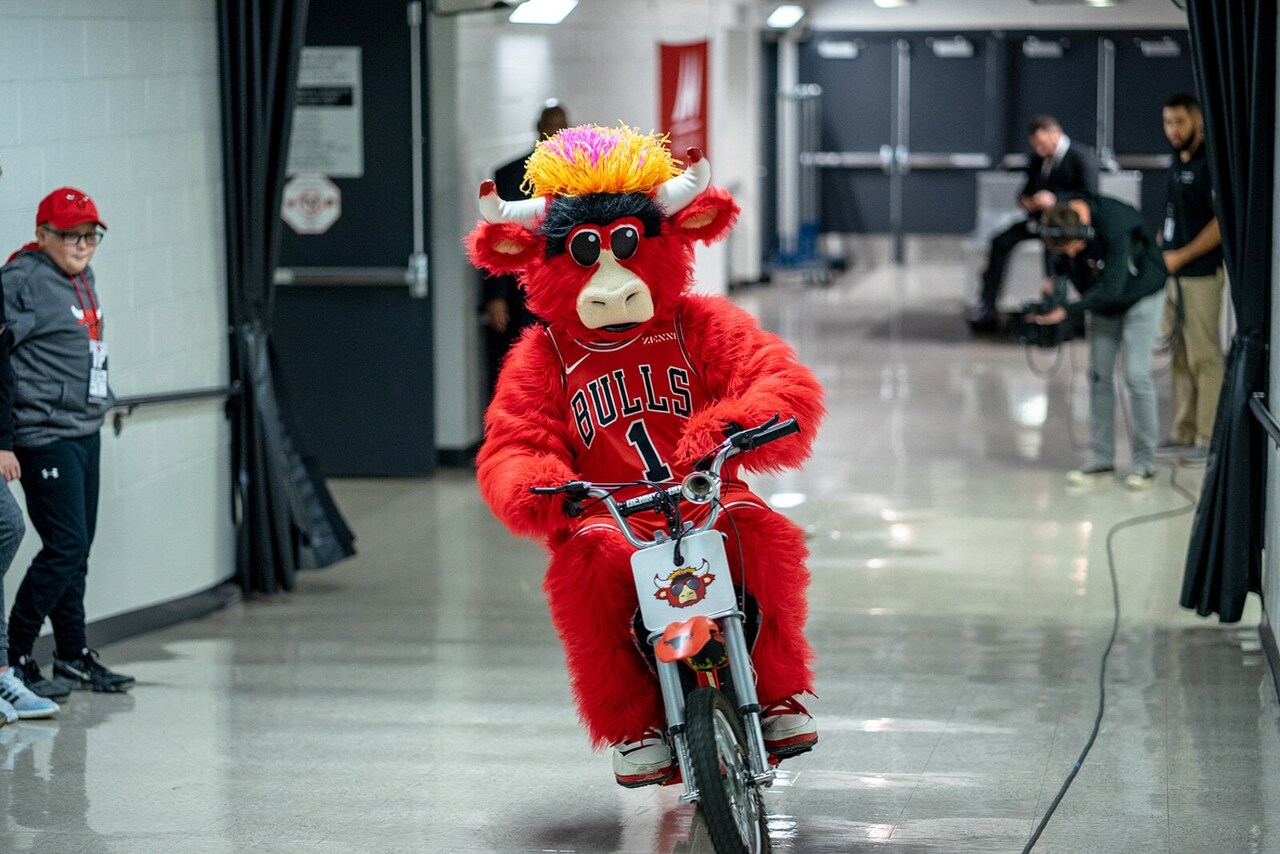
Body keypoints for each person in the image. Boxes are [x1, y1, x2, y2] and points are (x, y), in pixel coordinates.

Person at [2, 187, 134, 696]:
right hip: (43, 434)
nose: (82, 245)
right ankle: (15, 655)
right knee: (66, 546)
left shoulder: (83, 276)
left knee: (78, 551)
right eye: (70, 235)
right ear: (42, 235)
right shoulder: (22, 280)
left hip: (83, 429)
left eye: (90, 236)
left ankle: (72, 655)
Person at [1031, 194, 1167, 490]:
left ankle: (1145, 463)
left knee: (1136, 375)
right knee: (1098, 376)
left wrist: (1066, 311)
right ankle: (1101, 458)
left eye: (1073, 246)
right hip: (1102, 302)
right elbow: (1061, 261)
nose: (1072, 253)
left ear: (1085, 230)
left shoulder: (1117, 225)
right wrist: (1053, 280)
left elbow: (1111, 289)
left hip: (1141, 295)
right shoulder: (1061, 222)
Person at [0, 166, 61, 721]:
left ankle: (2, 674)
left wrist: (2, 441)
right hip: (44, 430)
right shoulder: (20, 276)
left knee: (9, 528)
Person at [969, 115, 1099, 330]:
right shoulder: (1038, 159)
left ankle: (1055, 308)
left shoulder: (1081, 157)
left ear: (1055, 134)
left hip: (1065, 226)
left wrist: (1056, 200)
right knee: (1000, 241)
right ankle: (988, 305)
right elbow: (1027, 189)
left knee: (1053, 251)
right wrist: (1026, 201)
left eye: (1042, 144)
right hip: (1039, 221)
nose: (1039, 149)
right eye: (1036, 145)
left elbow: (1091, 196)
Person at [480, 102, 569, 398]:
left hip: (565, 284)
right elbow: (496, 235)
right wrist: (495, 296)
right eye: (551, 125)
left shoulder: (580, 175)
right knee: (523, 361)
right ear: (539, 128)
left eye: (561, 126)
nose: (556, 131)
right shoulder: (509, 174)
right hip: (521, 287)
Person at [1157, 93, 1224, 466]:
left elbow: (1219, 224)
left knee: (1204, 355)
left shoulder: (1209, 163)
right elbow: (1172, 216)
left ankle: (1208, 436)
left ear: (1197, 121)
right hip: (1173, 273)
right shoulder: (1175, 161)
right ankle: (1182, 431)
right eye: (1168, 122)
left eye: (1180, 121)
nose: (1173, 129)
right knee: (1179, 355)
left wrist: (1182, 255)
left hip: (1201, 273)